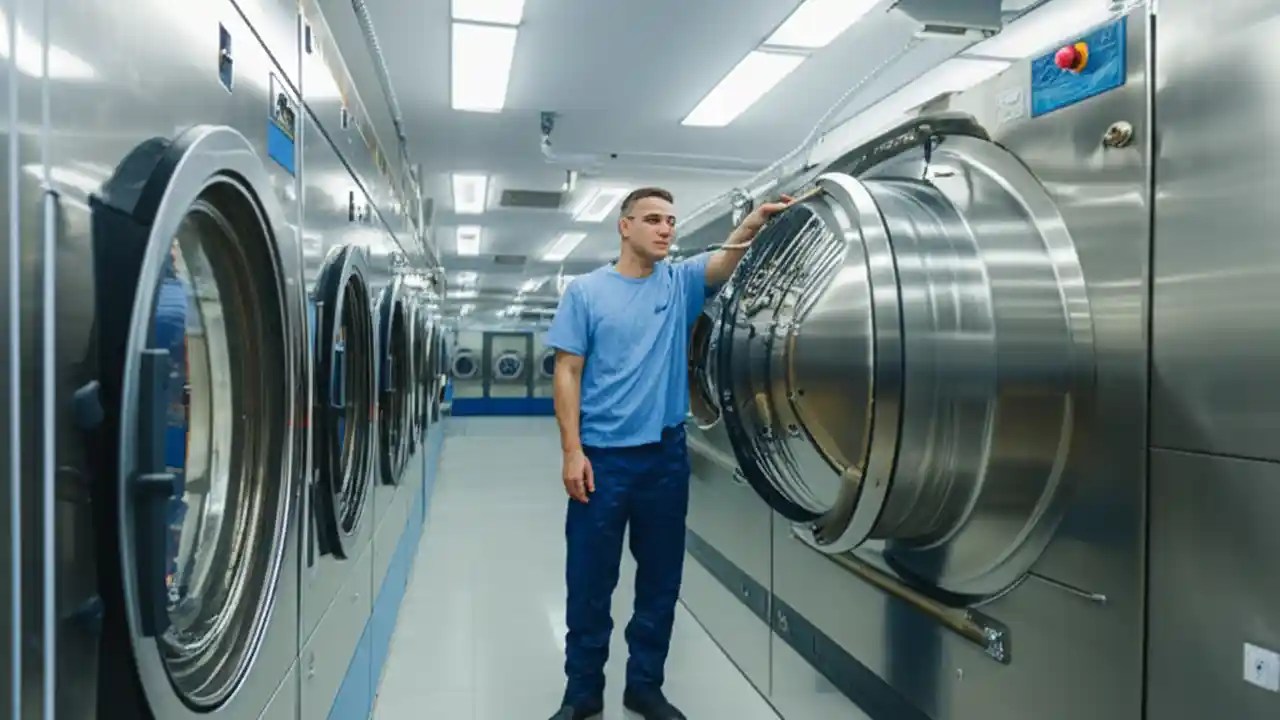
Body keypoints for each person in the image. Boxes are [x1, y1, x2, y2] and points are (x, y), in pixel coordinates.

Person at [544, 187, 791, 720]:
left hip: (664, 458)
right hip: (602, 460)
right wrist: (571, 451)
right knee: (590, 580)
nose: (665, 229)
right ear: (624, 226)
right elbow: (567, 371)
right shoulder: (586, 293)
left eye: (671, 222)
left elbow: (725, 261)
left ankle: (644, 686)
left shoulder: (679, 285)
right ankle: (582, 691)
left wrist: (751, 223)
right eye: (653, 219)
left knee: (660, 580)